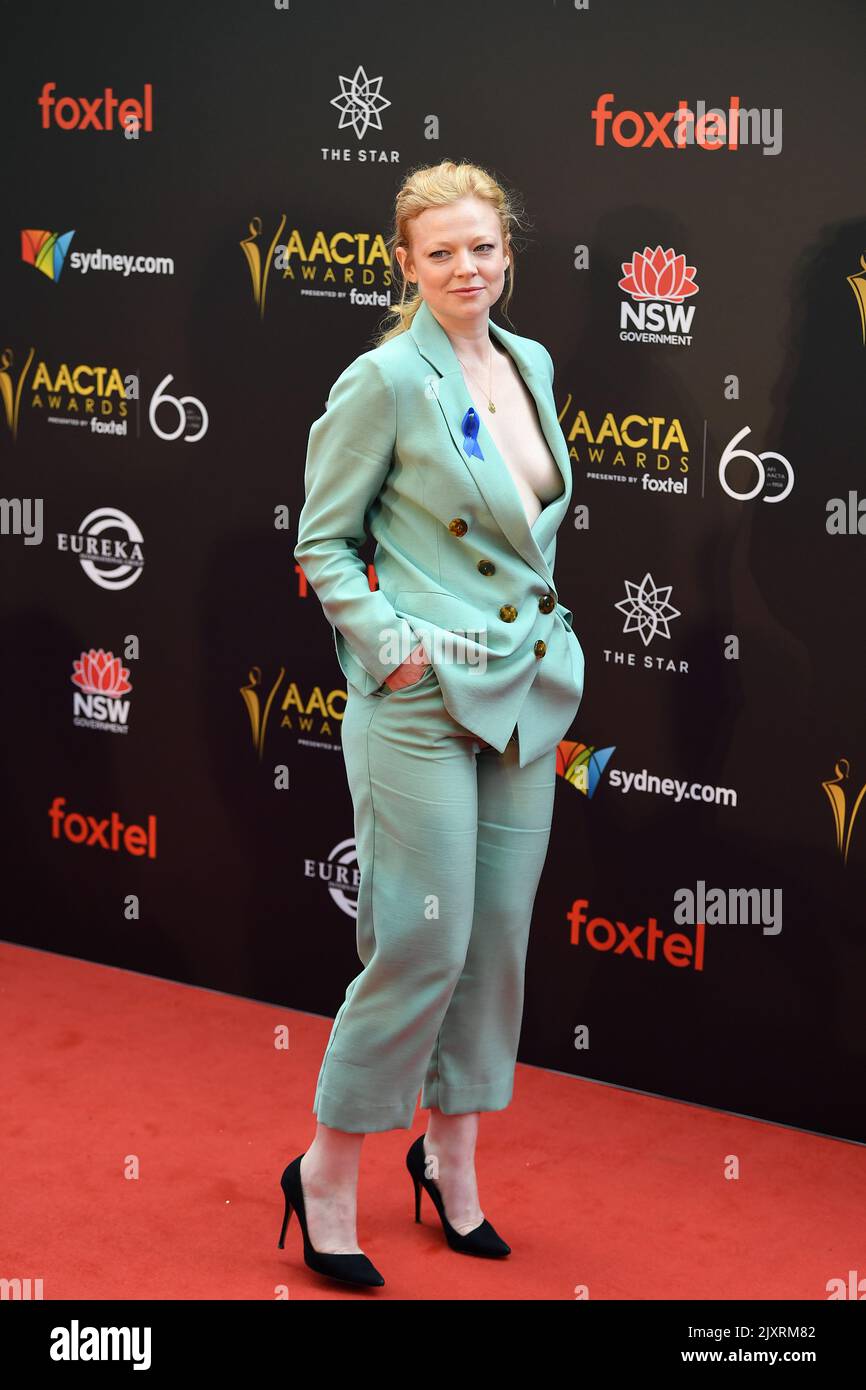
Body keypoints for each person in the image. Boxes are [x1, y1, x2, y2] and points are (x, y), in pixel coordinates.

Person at [284, 159, 585, 1288]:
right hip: (419, 702)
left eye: (484, 247)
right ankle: (323, 1171)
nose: (468, 268)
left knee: (495, 945)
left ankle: (449, 1165)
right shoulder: (382, 379)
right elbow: (321, 542)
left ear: (507, 251)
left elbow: (523, 533)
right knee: (421, 943)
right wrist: (395, 644)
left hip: (525, 689)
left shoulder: (531, 362)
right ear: (404, 261)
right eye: (442, 251)